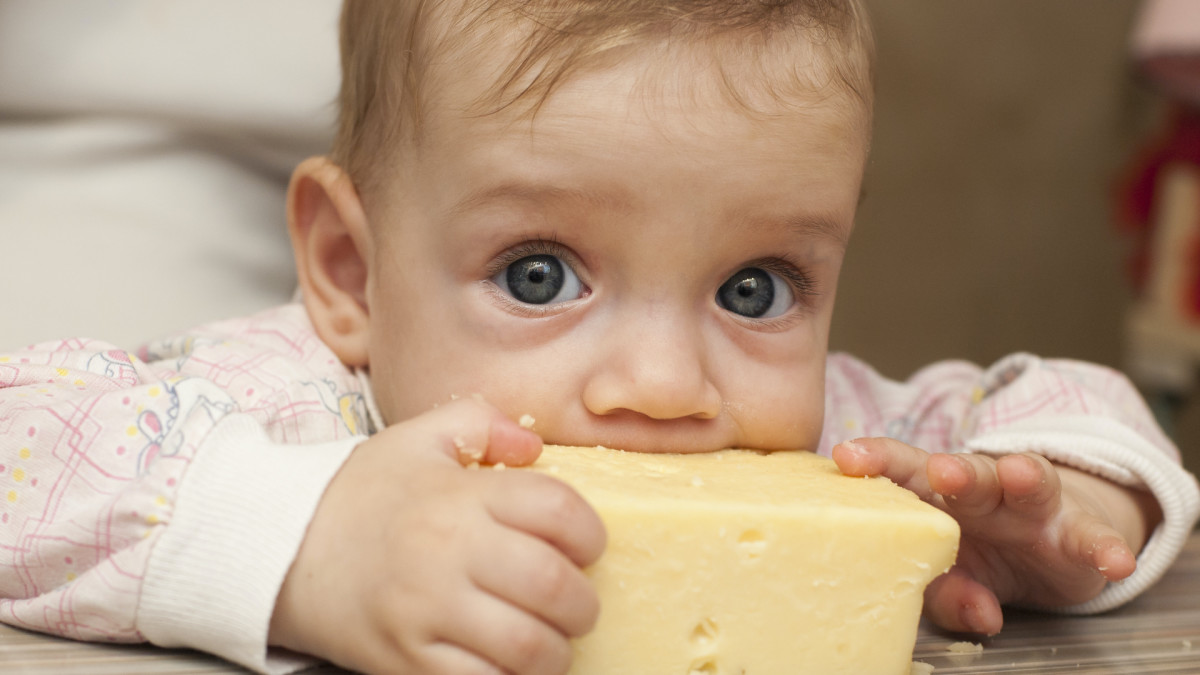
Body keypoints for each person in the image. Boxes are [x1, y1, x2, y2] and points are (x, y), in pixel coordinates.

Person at [1, 1, 1197, 674]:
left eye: (753, 289)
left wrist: (1064, 508)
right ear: (350, 272)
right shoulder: (293, 412)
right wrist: (304, 544)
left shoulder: (833, 443)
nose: (667, 388)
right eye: (539, 274)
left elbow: (1063, 401)